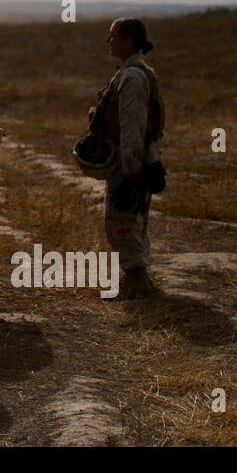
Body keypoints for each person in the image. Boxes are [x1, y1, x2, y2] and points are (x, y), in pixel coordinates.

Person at [89, 17, 165, 299]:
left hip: (129, 161)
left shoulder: (132, 77)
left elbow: (132, 123)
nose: (109, 41)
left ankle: (136, 280)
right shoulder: (131, 72)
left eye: (114, 36)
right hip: (132, 158)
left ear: (129, 40)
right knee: (132, 216)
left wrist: (131, 165)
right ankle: (136, 277)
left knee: (122, 218)